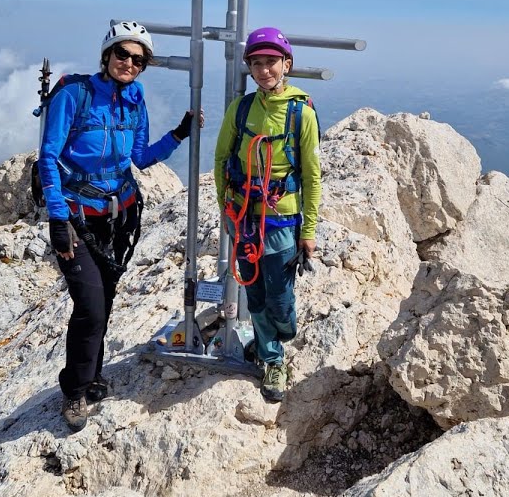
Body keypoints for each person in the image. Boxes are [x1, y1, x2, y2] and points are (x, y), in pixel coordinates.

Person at [39, 21, 203, 431]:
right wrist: (58, 220)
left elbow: (141, 158)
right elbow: (47, 158)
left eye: (138, 59)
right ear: (107, 54)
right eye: (122, 54)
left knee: (104, 305)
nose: (128, 63)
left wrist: (179, 134)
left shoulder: (134, 97)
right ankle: (74, 392)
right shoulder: (75, 95)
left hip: (118, 219)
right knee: (91, 308)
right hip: (77, 219)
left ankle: (92, 378)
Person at [214, 26, 322, 403]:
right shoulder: (241, 108)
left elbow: (311, 174)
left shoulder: (301, 112)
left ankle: (279, 334)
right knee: (255, 291)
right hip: (244, 215)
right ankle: (271, 356)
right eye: (256, 64)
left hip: (281, 218)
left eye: (271, 62)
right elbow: (222, 157)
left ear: (286, 64)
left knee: (279, 297)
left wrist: (308, 230)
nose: (264, 70)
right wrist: (224, 207)